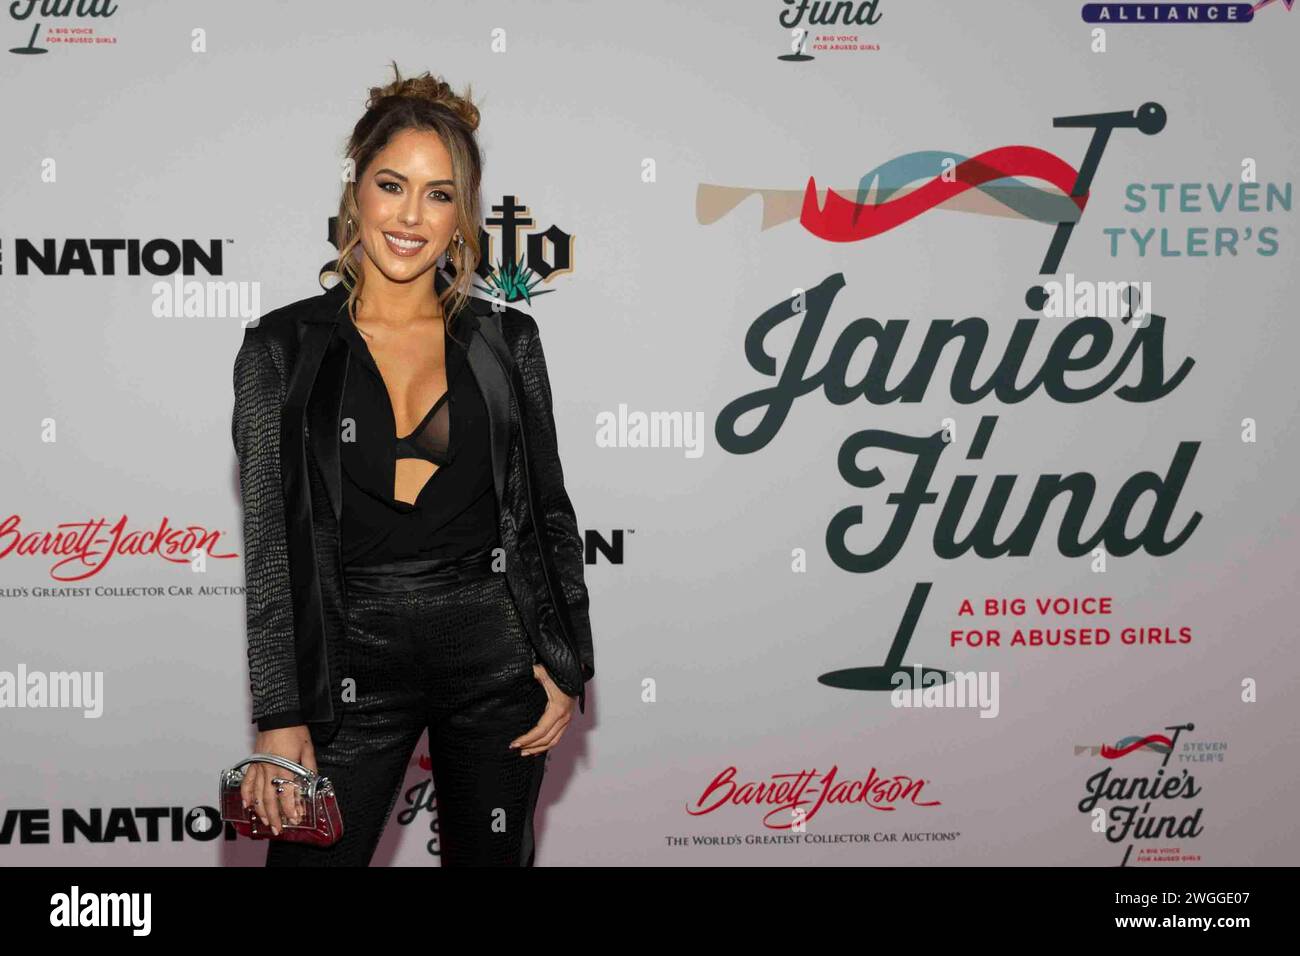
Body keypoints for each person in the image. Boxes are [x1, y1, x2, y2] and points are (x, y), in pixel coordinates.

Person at [229, 64, 594, 866]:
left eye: (439, 195)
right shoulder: (280, 351)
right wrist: (279, 711)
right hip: (348, 663)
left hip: (494, 658)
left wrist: (566, 658)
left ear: (463, 213)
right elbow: (271, 545)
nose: (411, 216)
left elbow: (548, 513)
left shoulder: (508, 342)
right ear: (355, 190)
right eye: (392, 184)